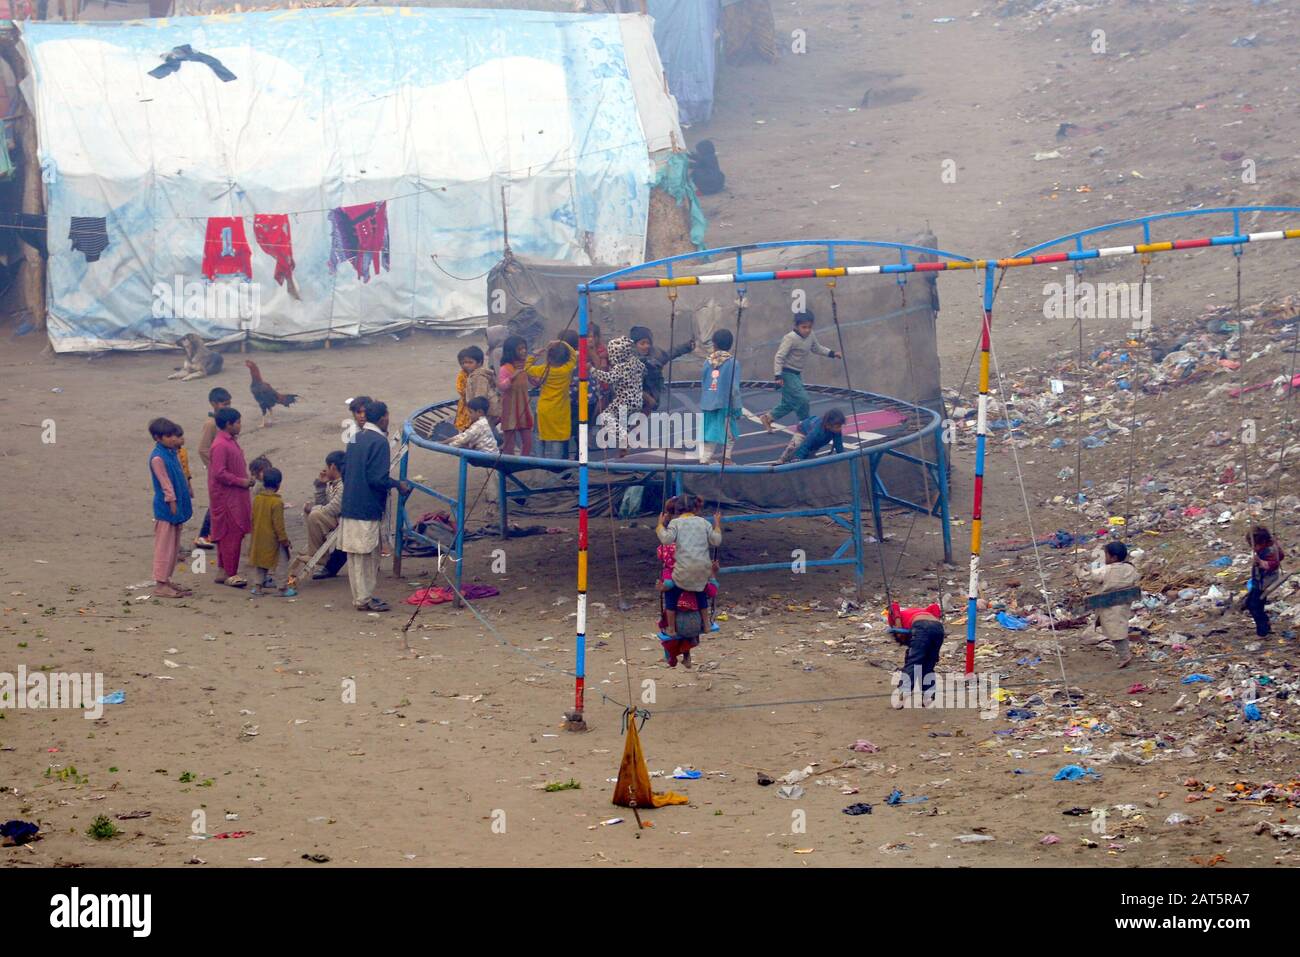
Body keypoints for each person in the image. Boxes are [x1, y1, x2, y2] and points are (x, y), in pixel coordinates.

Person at [339, 400, 411, 612]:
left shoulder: (355, 438)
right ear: (382, 418)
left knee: (355, 556)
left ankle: (360, 596)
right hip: (367, 505)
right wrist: (398, 485)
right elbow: (378, 479)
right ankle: (364, 598)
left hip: (350, 503)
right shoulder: (379, 442)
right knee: (368, 555)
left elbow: (346, 471)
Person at [655, 495, 722, 668]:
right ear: (696, 509)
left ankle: (671, 628)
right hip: (703, 572)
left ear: (677, 511)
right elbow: (716, 541)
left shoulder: (676, 524)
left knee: (671, 596)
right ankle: (706, 624)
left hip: (682, 572)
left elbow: (666, 539)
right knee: (700, 593)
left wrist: (660, 525)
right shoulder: (704, 523)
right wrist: (717, 524)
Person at [762, 310, 839, 430]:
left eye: (809, 327)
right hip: (787, 373)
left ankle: (768, 418)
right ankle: (805, 424)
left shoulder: (810, 335)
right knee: (803, 399)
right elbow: (779, 356)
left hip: (797, 374)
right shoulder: (790, 338)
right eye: (804, 327)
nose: (807, 330)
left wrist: (832, 353)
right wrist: (778, 376)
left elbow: (816, 348)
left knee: (789, 403)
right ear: (796, 326)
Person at [207, 407, 255, 588]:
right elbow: (219, 473)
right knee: (231, 535)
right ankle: (231, 573)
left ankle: (223, 570)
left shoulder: (228, 441)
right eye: (238, 422)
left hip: (234, 495)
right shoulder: (220, 445)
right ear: (228, 424)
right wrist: (241, 482)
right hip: (227, 498)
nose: (240, 425)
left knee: (229, 534)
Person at [147, 417, 193, 599]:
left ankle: (166, 580)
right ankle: (160, 584)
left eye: (174, 435)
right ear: (158, 438)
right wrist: (172, 501)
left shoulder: (171, 453)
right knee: (164, 546)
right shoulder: (158, 457)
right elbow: (165, 482)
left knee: (174, 546)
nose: (174, 439)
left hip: (177, 505)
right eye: (169, 436)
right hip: (167, 507)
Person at [1076, 540, 1140, 668]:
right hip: (1124, 604)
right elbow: (1136, 577)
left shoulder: (1106, 570)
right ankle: (1124, 653)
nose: (1105, 558)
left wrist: (1078, 569)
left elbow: (1089, 576)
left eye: (1106, 555)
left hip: (1110, 605)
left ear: (1113, 557)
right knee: (1120, 626)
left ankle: (1124, 656)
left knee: (1115, 631)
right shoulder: (1130, 568)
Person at [291, 450, 347, 583]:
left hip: (341, 519)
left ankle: (319, 556)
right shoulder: (332, 483)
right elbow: (323, 503)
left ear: (333, 467)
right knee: (311, 511)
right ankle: (315, 550)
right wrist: (321, 486)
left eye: (327, 467)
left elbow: (334, 508)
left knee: (315, 514)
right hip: (333, 517)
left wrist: (314, 508)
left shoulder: (343, 485)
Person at [591, 336, 646, 456]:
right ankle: (623, 453)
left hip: (624, 400)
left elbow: (609, 378)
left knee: (605, 417)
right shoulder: (636, 363)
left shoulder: (619, 367)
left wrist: (592, 370)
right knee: (622, 424)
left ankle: (624, 439)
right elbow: (643, 370)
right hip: (637, 400)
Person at [193, 386, 232, 550]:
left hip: (223, 470)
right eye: (224, 404)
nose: (227, 407)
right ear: (213, 404)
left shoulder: (222, 421)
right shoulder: (211, 424)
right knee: (217, 502)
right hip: (218, 471)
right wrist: (216, 468)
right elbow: (203, 449)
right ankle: (203, 535)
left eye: (229, 404)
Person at [527, 340, 577, 459]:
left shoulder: (544, 370)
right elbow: (574, 355)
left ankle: (539, 464)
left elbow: (527, 367)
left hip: (544, 409)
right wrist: (562, 343)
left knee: (539, 435)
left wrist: (534, 355)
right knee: (557, 438)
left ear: (549, 357)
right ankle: (555, 467)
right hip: (560, 411)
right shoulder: (567, 369)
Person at [887, 601, 944, 706]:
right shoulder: (923, 611)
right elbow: (935, 606)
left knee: (914, 660)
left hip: (921, 626)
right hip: (938, 628)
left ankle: (905, 688)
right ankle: (928, 695)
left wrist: (899, 627)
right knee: (928, 663)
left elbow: (893, 605)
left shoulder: (896, 620)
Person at [699, 328, 742, 464]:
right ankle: (726, 458)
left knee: (710, 433)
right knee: (729, 435)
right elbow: (734, 389)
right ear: (730, 345)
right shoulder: (733, 363)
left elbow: (704, 382)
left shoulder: (707, 362)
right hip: (724, 405)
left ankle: (704, 459)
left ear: (714, 344)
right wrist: (737, 408)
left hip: (707, 403)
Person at [630, 325, 694, 413]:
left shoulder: (655, 356)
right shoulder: (627, 362)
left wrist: (687, 347)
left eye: (648, 343)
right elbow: (630, 387)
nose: (646, 346)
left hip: (654, 401)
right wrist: (648, 399)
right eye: (642, 343)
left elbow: (671, 353)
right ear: (634, 345)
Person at [249, 466, 292, 594]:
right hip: (273, 539)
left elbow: (253, 518)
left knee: (260, 563)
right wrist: (284, 541)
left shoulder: (257, 499)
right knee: (282, 563)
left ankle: (257, 586)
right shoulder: (277, 502)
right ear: (278, 484)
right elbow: (279, 525)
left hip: (258, 537)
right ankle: (282, 588)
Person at [1243, 525, 1285, 637]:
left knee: (1254, 606)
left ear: (1262, 543)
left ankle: (1263, 631)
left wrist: (1260, 562)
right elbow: (1281, 555)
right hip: (1259, 581)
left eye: (1254, 545)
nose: (1253, 548)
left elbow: (1273, 563)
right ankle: (1265, 624)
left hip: (1263, 582)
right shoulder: (1269, 546)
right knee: (1252, 603)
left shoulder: (1270, 550)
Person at [497, 335, 535, 456]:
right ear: (511, 351)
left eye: (524, 348)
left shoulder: (525, 366)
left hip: (524, 407)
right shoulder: (506, 368)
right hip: (510, 409)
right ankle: (509, 464)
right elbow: (502, 386)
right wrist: (512, 377)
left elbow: (535, 381)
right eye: (520, 349)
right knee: (509, 443)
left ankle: (523, 463)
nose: (523, 351)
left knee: (528, 441)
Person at [777, 408, 846, 463]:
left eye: (840, 426)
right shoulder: (816, 432)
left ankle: (807, 456)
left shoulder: (836, 430)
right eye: (838, 426)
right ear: (828, 425)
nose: (840, 428)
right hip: (803, 430)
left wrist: (844, 457)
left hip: (817, 442)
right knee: (797, 445)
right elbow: (805, 445)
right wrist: (798, 458)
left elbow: (838, 444)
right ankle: (782, 459)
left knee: (809, 454)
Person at [461, 346, 500, 428]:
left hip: (485, 411)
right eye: (464, 362)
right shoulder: (474, 375)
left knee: (485, 430)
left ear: (479, 363)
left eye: (470, 362)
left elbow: (480, 396)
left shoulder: (479, 376)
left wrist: (477, 413)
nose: (466, 365)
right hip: (486, 410)